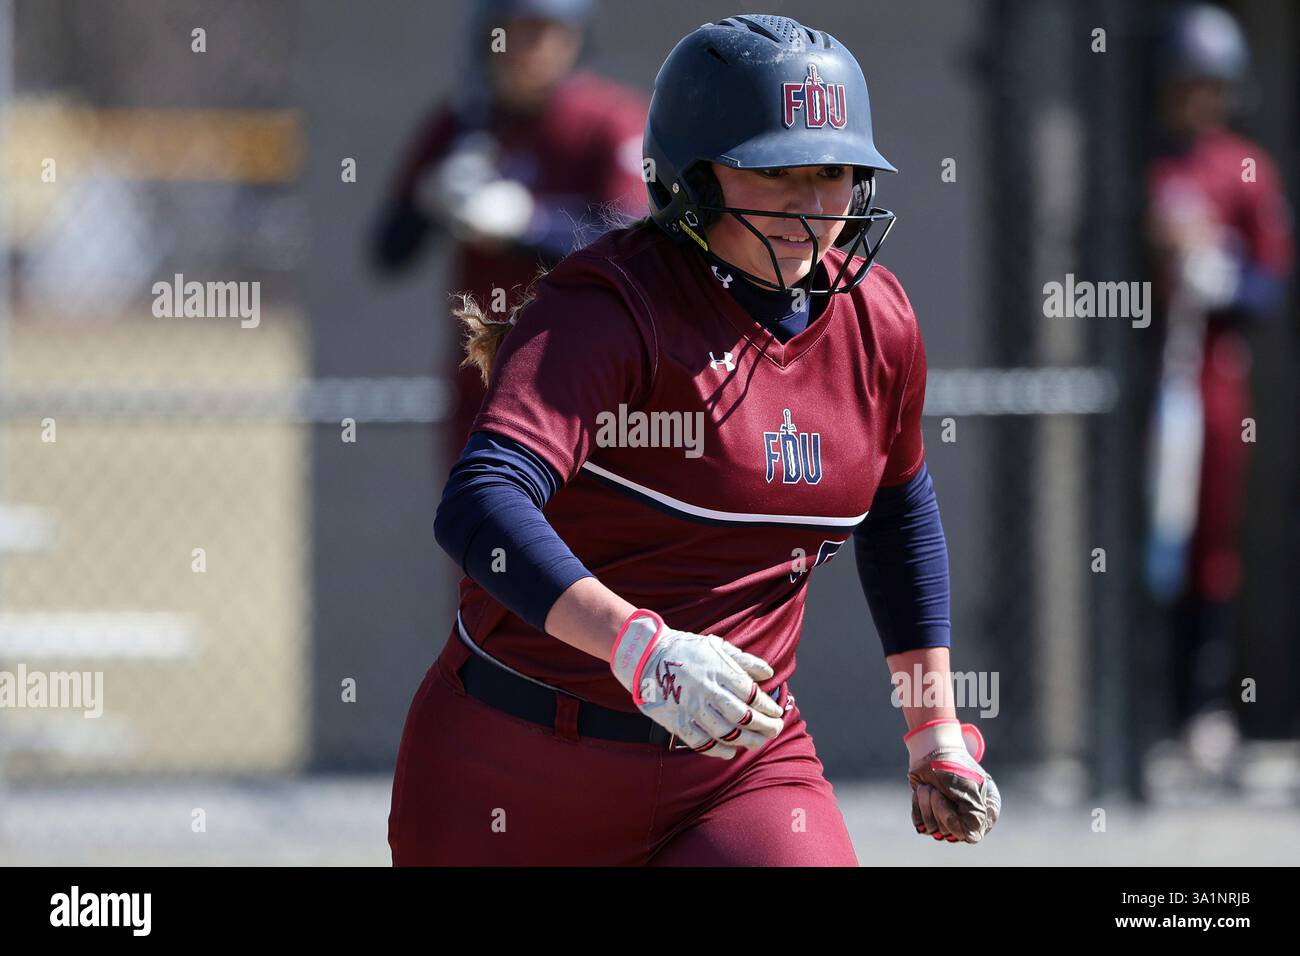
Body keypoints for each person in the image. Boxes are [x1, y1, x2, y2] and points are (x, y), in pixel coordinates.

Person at [389, 13, 999, 866]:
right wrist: (639, 646)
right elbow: (480, 504)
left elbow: (900, 513)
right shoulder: (608, 308)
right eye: (777, 174)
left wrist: (932, 724)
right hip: (516, 756)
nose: (814, 206)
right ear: (692, 181)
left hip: (737, 768)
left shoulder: (878, 318)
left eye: (836, 173)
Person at [370, 0, 648, 465]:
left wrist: (527, 224)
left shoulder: (607, 119)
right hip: (483, 379)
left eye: (546, 33)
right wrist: (432, 196)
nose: (529, 49)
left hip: (582, 376)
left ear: (574, 40)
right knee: (479, 523)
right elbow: (389, 252)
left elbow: (632, 247)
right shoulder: (460, 124)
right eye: (516, 32)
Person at [1144, 3, 1293, 782]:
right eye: (1186, 83)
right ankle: (1145, 712)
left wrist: (1220, 268)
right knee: (1148, 547)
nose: (1197, 98)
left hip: (1213, 391)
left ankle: (1203, 714)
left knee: (1208, 551)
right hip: (1147, 389)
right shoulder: (1144, 166)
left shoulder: (1244, 168)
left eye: (1211, 84)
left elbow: (1269, 290)